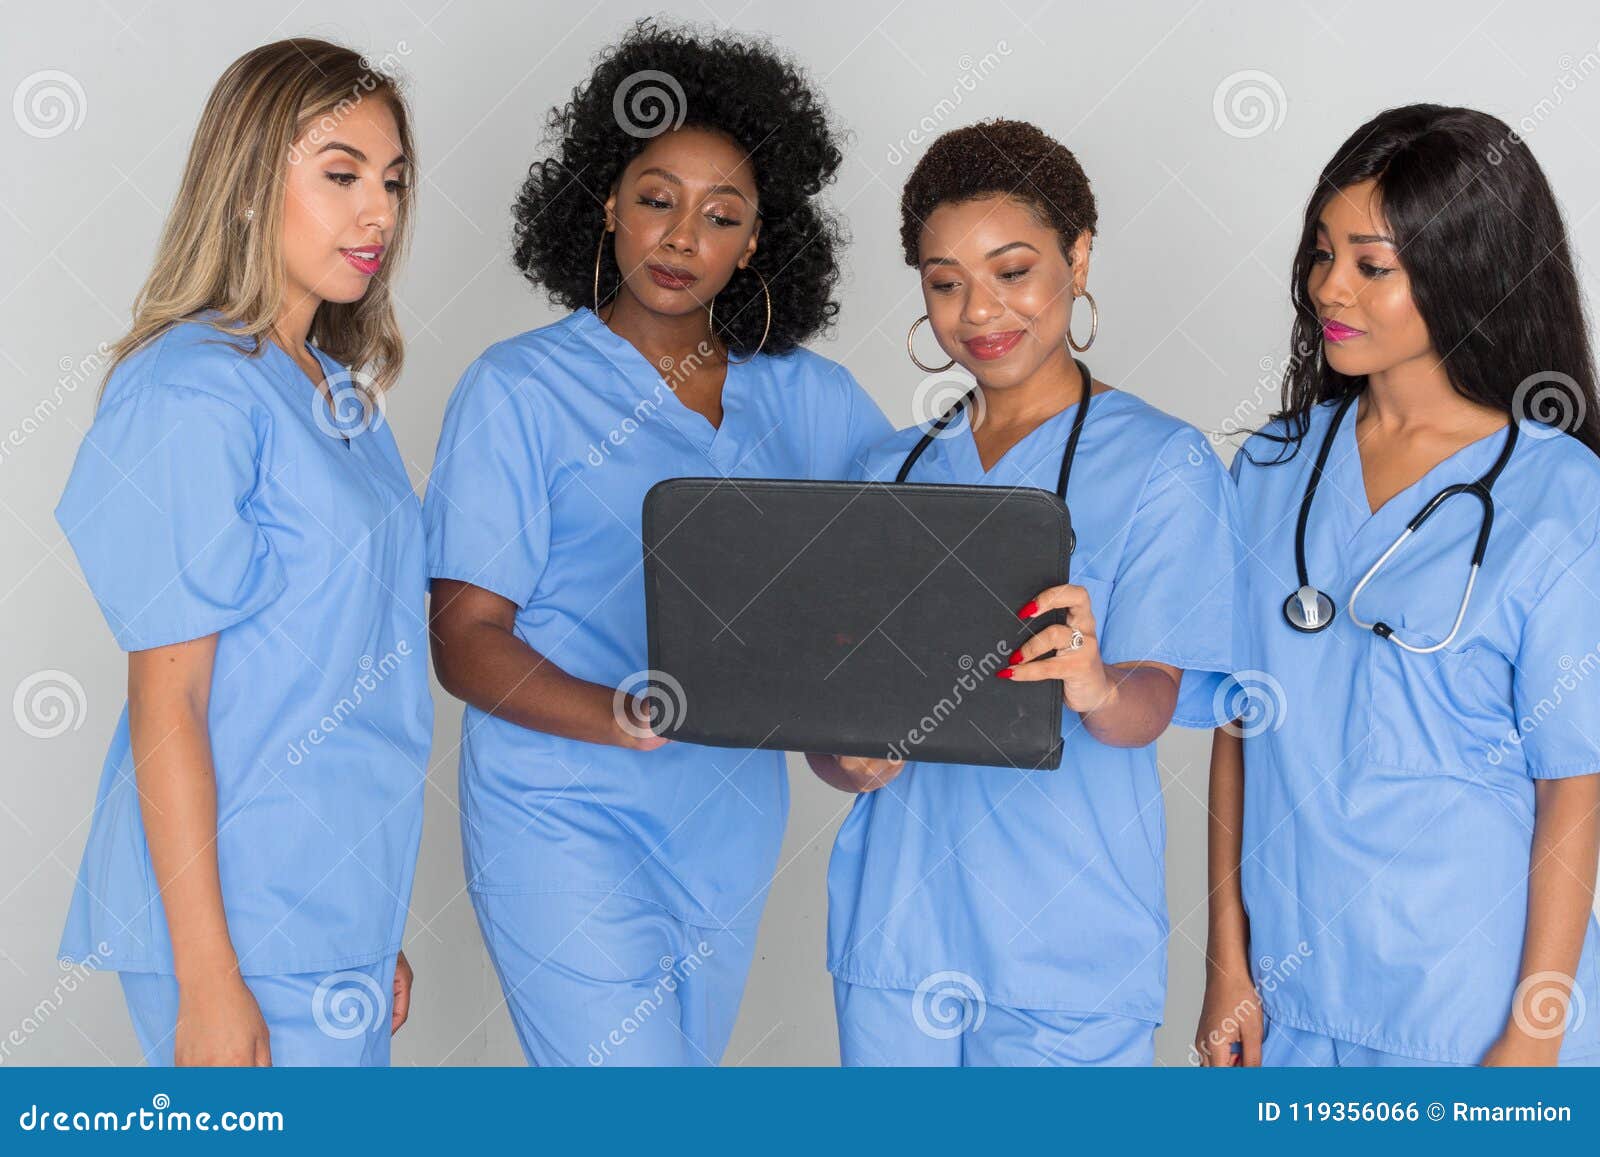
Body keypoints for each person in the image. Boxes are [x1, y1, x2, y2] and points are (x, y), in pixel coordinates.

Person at [423, 19, 891, 1066]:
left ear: (759, 238)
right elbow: (463, 636)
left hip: (724, 825)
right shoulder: (519, 388)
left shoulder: (807, 399)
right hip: (560, 812)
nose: (682, 239)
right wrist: (617, 712)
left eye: (721, 215)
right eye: (655, 200)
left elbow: (900, 566)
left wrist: (847, 736)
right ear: (605, 202)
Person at [815, 120, 1243, 1066]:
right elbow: (831, 737)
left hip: (1071, 954)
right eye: (944, 282)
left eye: (1013, 269)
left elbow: (1149, 706)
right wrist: (851, 757)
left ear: (1078, 256)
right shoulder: (888, 469)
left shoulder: (1162, 463)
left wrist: (1093, 686)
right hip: (898, 940)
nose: (980, 310)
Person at [1196, 104, 1600, 1068]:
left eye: (1372, 265)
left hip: (1466, 1007)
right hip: (1288, 1000)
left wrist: (1533, 1031)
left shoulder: (1558, 495)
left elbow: (1576, 786)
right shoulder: (1270, 472)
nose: (1329, 287)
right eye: (1322, 253)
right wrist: (1224, 962)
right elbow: (1235, 732)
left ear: (1463, 273)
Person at [54, 39, 430, 1066]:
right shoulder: (191, 391)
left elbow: (348, 668)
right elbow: (166, 699)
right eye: (342, 174)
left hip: (329, 917)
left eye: (392, 181)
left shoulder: (334, 392)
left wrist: (365, 921)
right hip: (240, 925)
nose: (380, 213)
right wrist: (212, 974)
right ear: (251, 183)